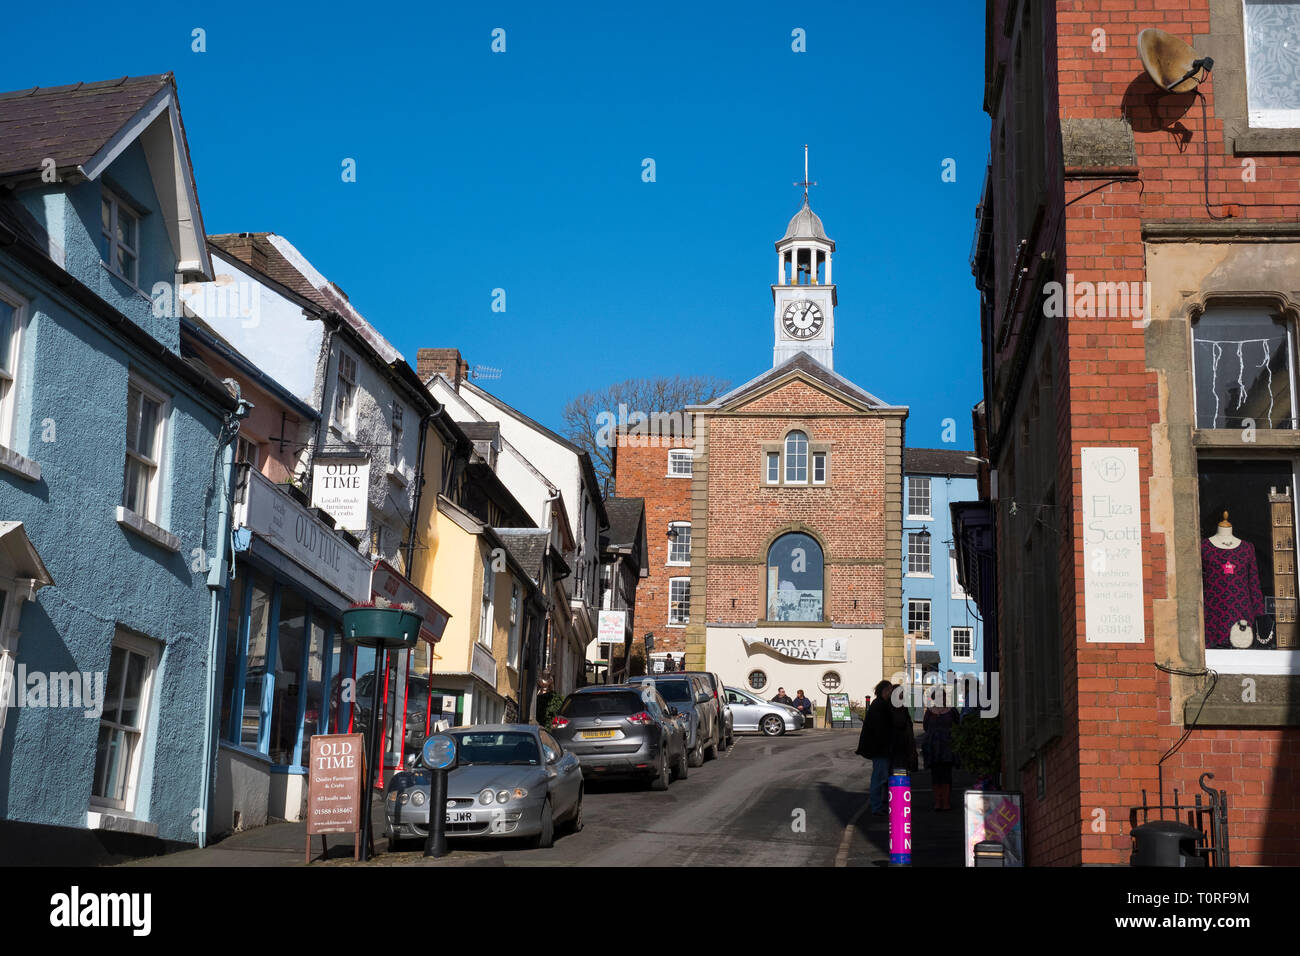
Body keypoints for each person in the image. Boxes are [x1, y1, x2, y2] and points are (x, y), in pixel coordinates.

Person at [855, 680, 896, 815]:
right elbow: (880, 730)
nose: (892, 693)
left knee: (880, 777)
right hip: (880, 749)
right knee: (879, 778)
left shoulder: (879, 704)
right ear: (884, 691)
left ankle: (879, 805)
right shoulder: (880, 706)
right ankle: (876, 807)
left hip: (879, 748)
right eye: (890, 690)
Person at [922, 700, 960, 811]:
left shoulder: (951, 710)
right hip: (933, 747)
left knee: (946, 774)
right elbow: (925, 726)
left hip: (947, 746)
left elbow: (958, 723)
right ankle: (938, 801)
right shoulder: (929, 711)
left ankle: (946, 801)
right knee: (936, 775)